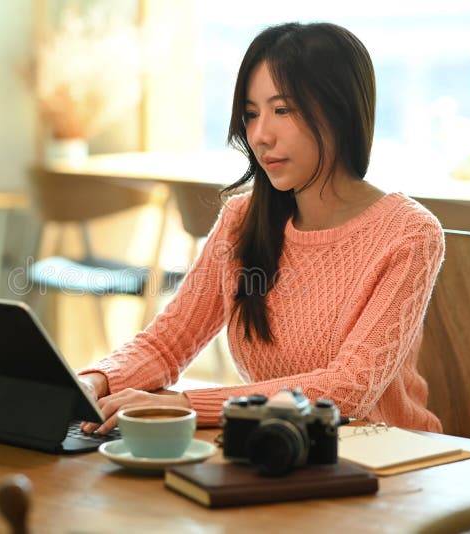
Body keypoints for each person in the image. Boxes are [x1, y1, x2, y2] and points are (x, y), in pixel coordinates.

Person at [78, 21, 444, 435]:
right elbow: (167, 343)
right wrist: (92, 383)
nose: (260, 135)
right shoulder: (241, 219)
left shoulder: (409, 233)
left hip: (387, 461)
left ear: (339, 110)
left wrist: (183, 404)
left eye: (281, 110)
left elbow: (349, 389)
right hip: (275, 450)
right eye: (251, 114)